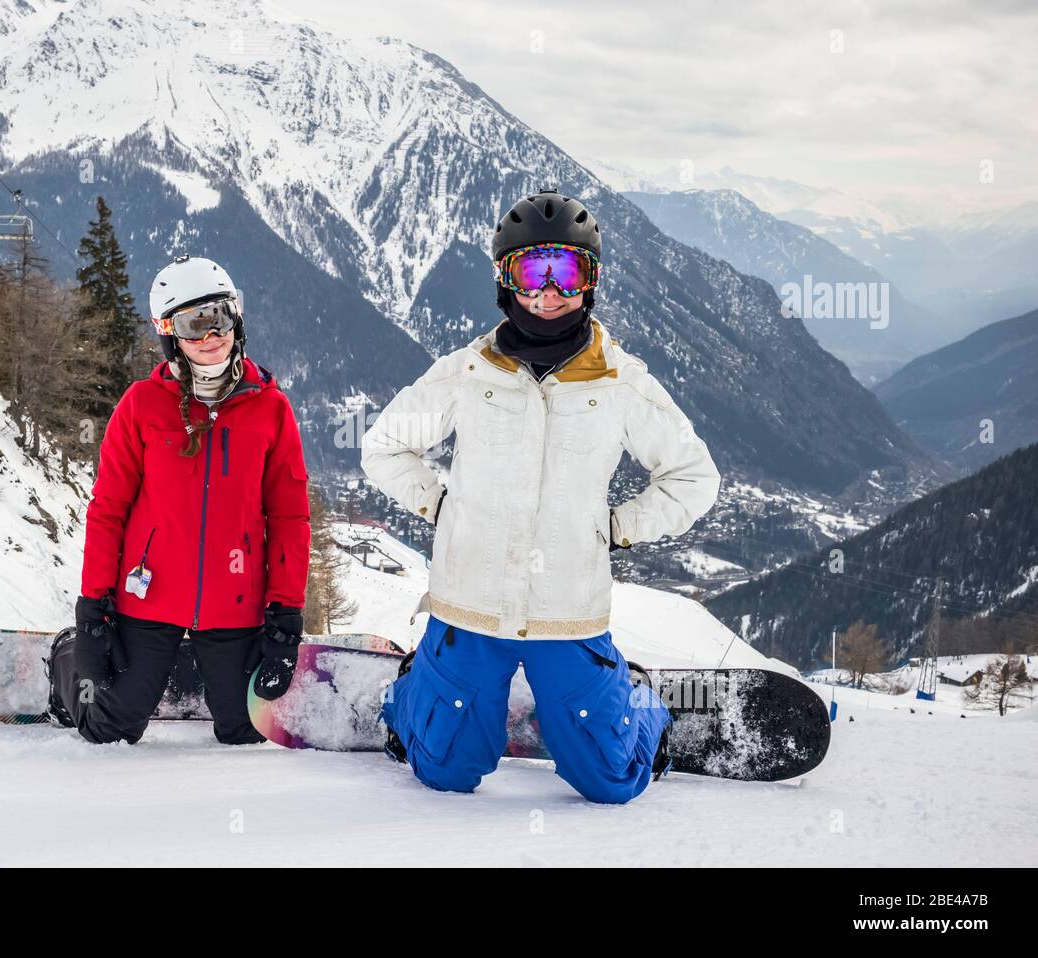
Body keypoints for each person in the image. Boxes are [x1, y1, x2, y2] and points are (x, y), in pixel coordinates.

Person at [362, 189, 720, 804]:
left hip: (568, 609)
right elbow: (384, 447)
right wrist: (442, 507)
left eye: (567, 270)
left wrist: (615, 528)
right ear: (507, 280)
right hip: (469, 603)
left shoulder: (620, 382)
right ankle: (414, 688)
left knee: (611, 782)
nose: (549, 290)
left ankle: (635, 697)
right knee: (446, 772)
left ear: (591, 281)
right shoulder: (467, 374)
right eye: (533, 270)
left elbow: (694, 477)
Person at [48, 255, 311, 746]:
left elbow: (290, 516)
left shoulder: (270, 409)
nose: (211, 337)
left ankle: (196, 661)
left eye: (220, 318)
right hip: (148, 593)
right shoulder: (141, 406)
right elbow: (108, 509)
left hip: (235, 598)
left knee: (245, 729)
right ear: (170, 333)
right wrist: (92, 609)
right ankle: (65, 655)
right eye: (195, 324)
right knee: (109, 725)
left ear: (237, 318)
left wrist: (285, 613)